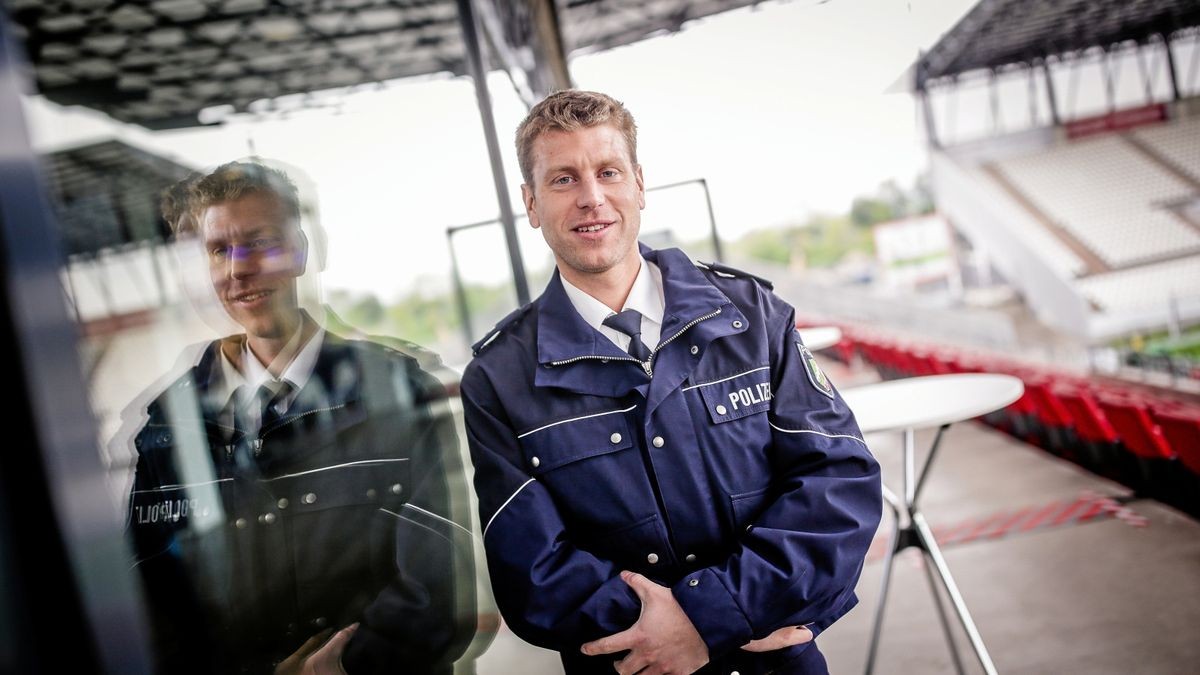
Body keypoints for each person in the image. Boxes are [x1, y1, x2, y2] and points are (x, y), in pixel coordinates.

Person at [460, 90, 882, 674]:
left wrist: (716, 616)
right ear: (531, 203)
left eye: (608, 172)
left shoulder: (752, 315)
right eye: (563, 179)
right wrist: (669, 635)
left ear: (639, 184)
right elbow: (530, 568)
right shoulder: (498, 379)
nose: (591, 197)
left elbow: (839, 481)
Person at [123, 161, 475, 674]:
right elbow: (147, 603)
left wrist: (337, 667)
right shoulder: (167, 427)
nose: (239, 269)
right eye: (219, 250)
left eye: (259, 243)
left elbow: (440, 589)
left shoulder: (400, 391)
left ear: (301, 251)